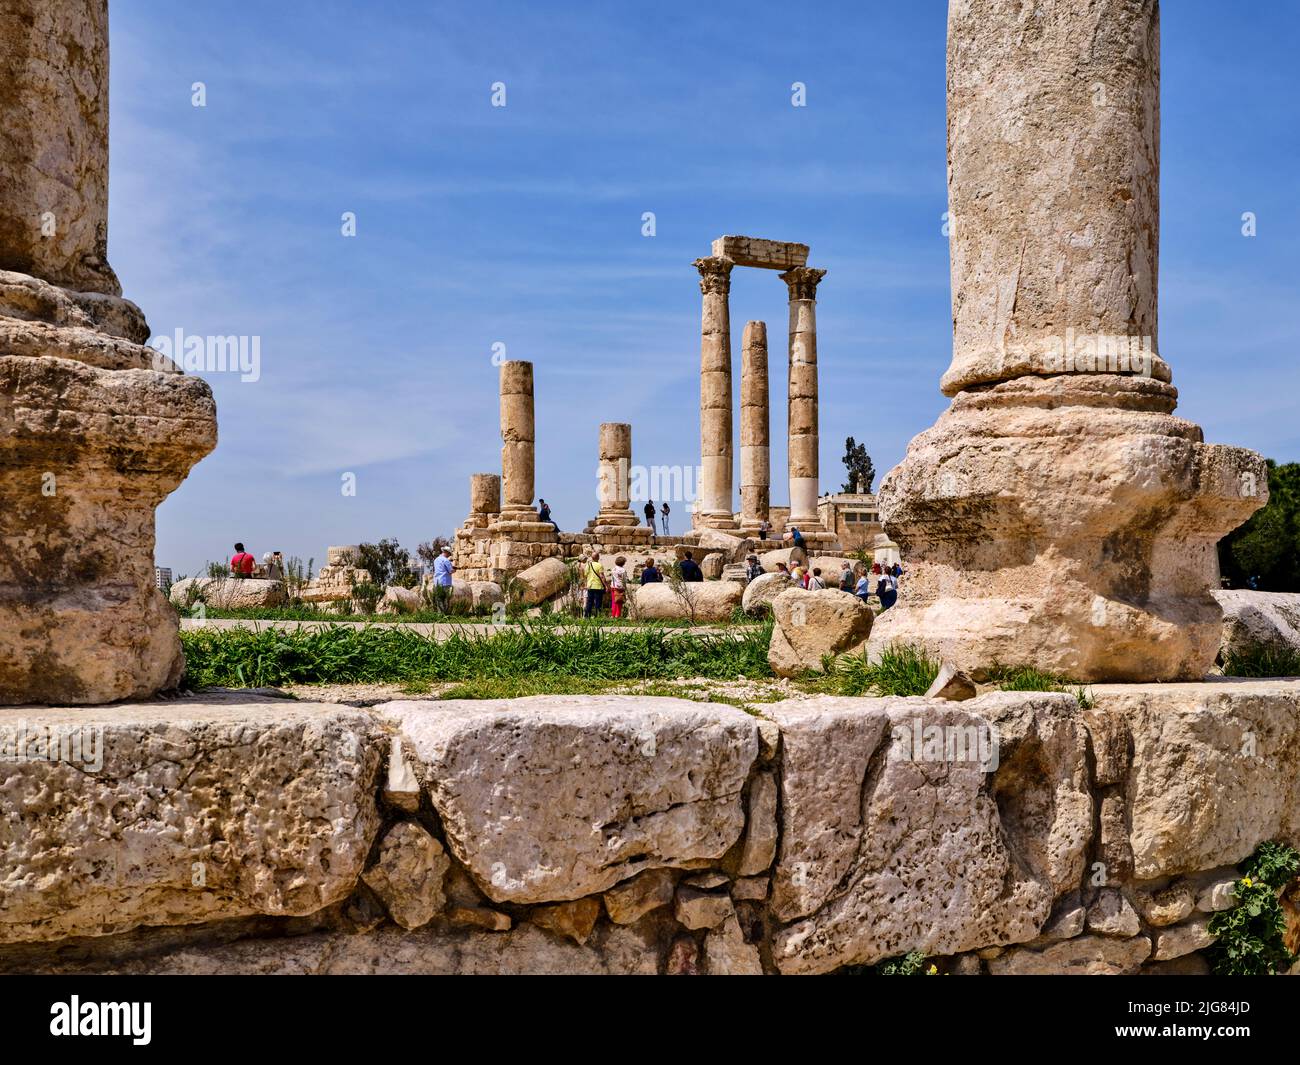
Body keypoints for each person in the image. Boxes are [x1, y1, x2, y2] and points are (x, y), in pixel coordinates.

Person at [582, 552, 607, 617]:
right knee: (598, 602)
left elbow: (585, 576)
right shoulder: (599, 565)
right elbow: (602, 576)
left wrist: (585, 584)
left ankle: (587, 616)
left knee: (589, 602)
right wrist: (606, 585)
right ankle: (597, 616)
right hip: (598, 586)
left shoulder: (588, 565)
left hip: (590, 586)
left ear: (592, 557)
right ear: (598, 557)